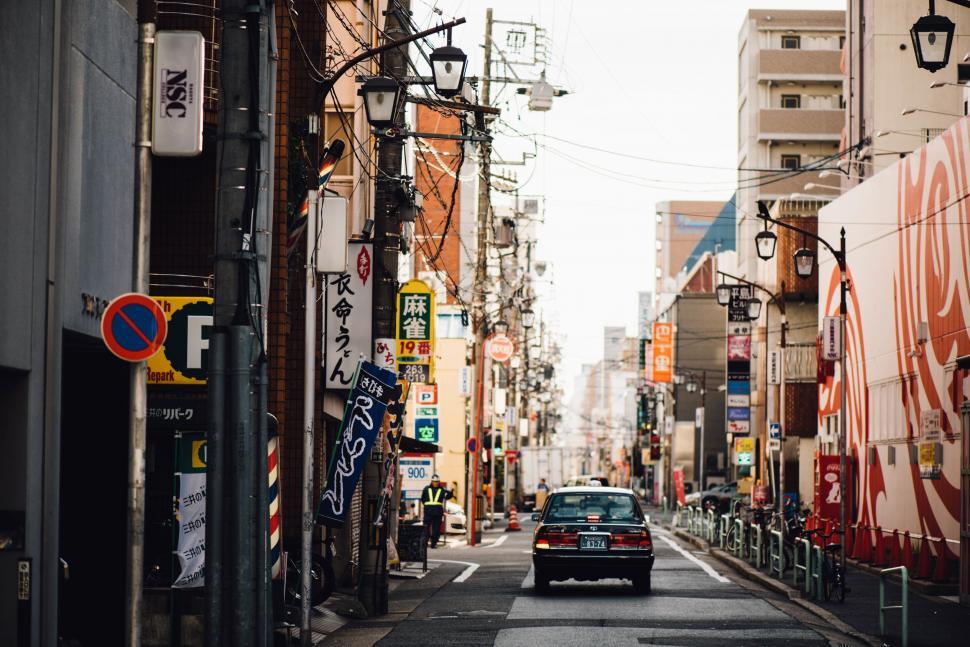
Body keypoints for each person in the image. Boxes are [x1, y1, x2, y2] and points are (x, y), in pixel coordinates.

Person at [421, 474, 452, 548]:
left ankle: (433, 543)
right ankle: (425, 542)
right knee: (426, 528)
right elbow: (423, 499)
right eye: (434, 481)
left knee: (436, 529)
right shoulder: (427, 489)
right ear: (431, 481)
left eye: (437, 481)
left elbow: (447, 496)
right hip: (429, 511)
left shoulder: (442, 490)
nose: (435, 483)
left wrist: (450, 492)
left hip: (436, 512)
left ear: (439, 481)